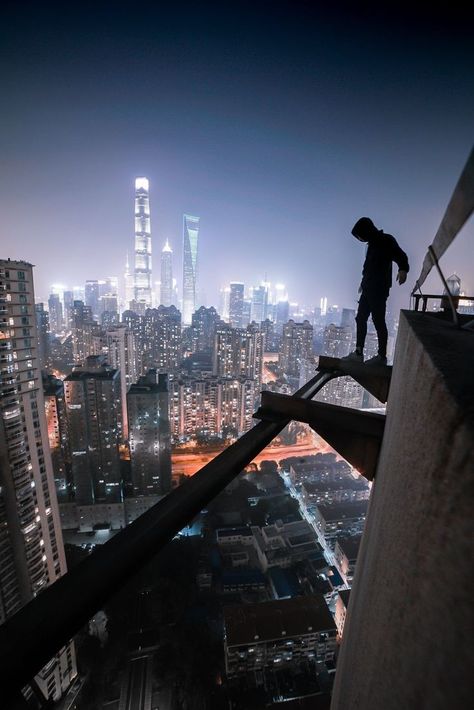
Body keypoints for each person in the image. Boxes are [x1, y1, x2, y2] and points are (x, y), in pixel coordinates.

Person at [342, 217, 409, 365]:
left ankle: (381, 356)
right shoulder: (371, 245)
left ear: (366, 231)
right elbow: (368, 268)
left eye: (359, 235)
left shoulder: (387, 240)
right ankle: (359, 353)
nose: (359, 239)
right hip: (367, 288)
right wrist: (363, 283)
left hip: (379, 288)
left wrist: (403, 269)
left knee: (378, 320)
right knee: (360, 318)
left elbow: (401, 256)